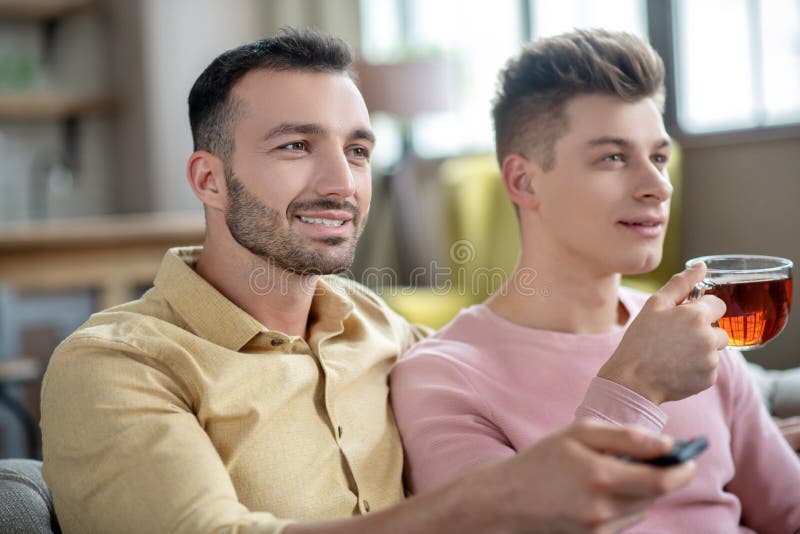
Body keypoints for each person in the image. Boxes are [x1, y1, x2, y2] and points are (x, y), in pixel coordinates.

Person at [41, 28, 702, 534]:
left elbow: (520, 396)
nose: (341, 185)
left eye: (357, 150)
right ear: (209, 180)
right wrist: (481, 500)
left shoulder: (380, 327)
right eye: (296, 146)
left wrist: (744, 416)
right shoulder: (116, 365)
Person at [390, 29, 800, 533]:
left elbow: (788, 510)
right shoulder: (443, 377)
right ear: (523, 181)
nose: (658, 186)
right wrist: (634, 388)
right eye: (613, 157)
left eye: (659, 157)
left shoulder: (692, 328)